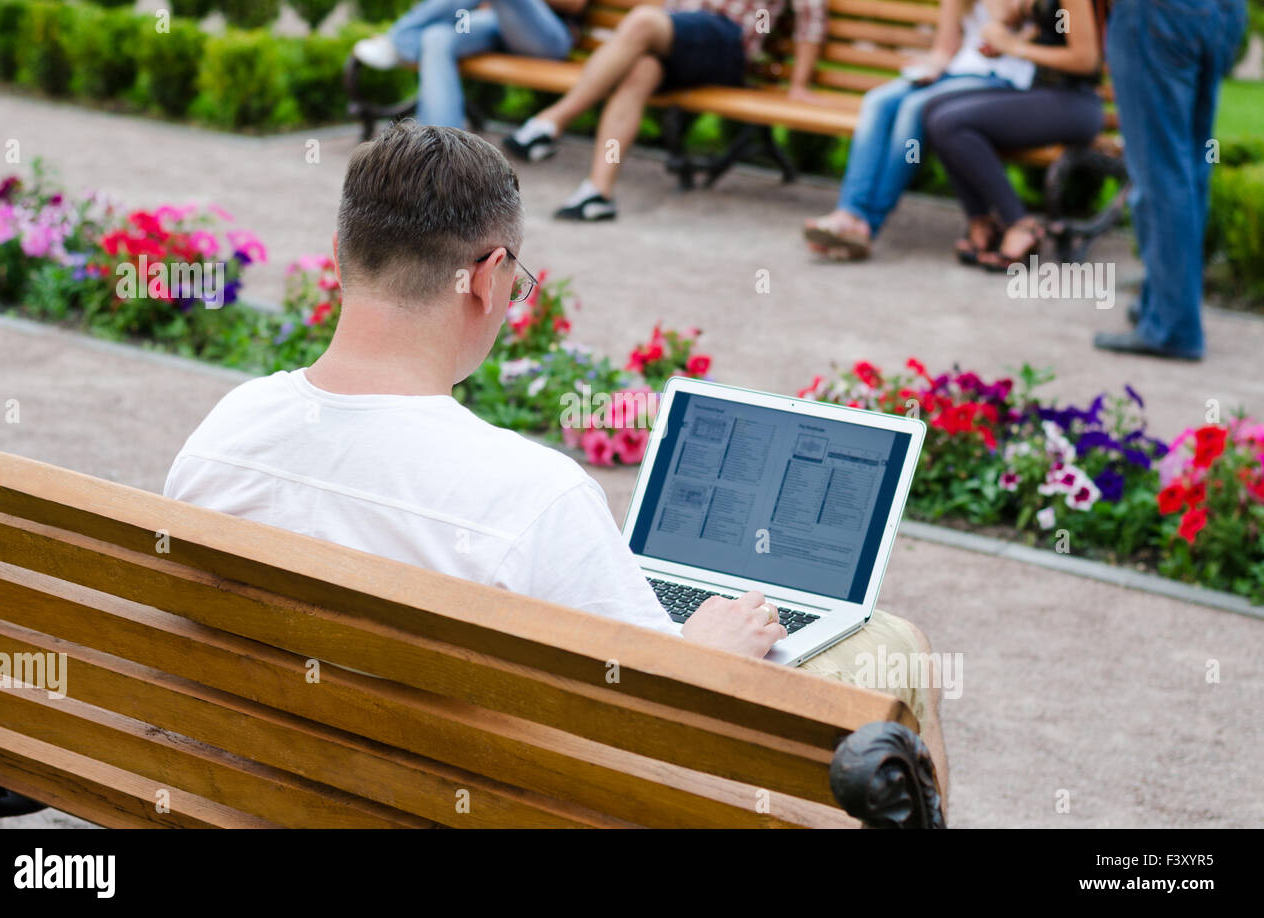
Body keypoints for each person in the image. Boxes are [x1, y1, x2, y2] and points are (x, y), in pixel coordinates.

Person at [163, 122, 947, 796]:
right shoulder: (531, 495)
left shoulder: (227, 430)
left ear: (339, 255)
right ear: (484, 278)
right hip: (448, 798)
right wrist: (704, 649)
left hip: (249, 784)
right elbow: (655, 713)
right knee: (893, 646)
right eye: (517, 280)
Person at [501, 0, 826, 221]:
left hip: (727, 42)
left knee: (643, 21)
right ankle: (598, 193)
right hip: (678, 36)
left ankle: (552, 120)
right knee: (639, 71)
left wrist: (798, 85)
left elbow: (810, 18)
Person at [803, 0, 1037, 262]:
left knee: (914, 108)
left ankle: (867, 224)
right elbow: (944, 50)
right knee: (877, 101)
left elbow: (1011, 19)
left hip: (1000, 77)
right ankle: (849, 211)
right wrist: (932, 67)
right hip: (956, 72)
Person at [1093, 0, 1247, 360]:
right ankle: (1165, 302)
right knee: (1188, 166)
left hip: (1157, 13)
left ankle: (1172, 325)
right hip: (1221, 12)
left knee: (1161, 171)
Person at [920, 0, 1105, 271]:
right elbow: (1045, 30)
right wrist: (1007, 38)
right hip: (1041, 92)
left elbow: (1086, 60)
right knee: (933, 110)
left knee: (952, 122)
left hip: (1074, 102)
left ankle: (1020, 224)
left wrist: (1015, 48)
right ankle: (981, 220)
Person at [352, 0, 587, 130]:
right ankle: (440, 148)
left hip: (549, 38)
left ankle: (400, 37)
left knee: (426, 36)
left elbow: (574, 3)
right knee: (436, 38)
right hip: (498, 24)